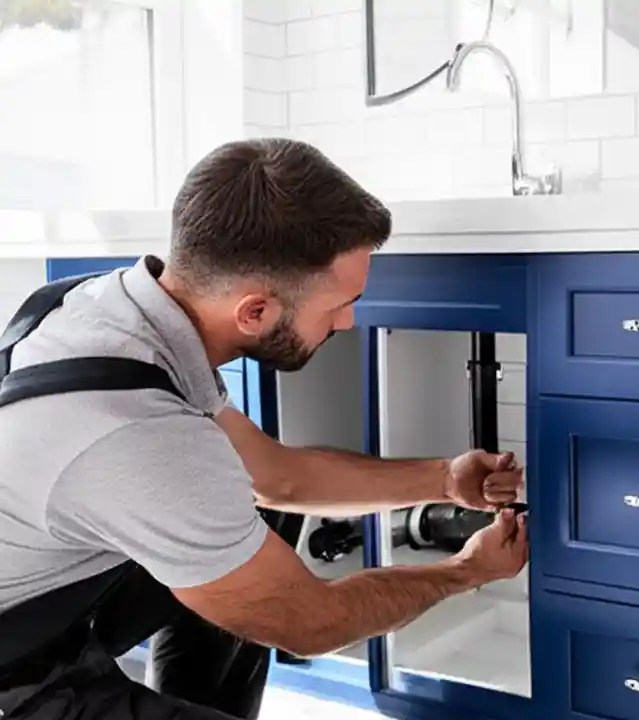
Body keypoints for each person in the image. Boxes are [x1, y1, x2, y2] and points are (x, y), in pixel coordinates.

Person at [0, 138, 530, 719]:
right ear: (254, 312)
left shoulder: (114, 309)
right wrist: (466, 571)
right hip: (16, 670)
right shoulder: (142, 437)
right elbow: (311, 623)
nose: (349, 319)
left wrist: (446, 480)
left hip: (48, 592)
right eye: (338, 304)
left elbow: (277, 479)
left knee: (240, 505)